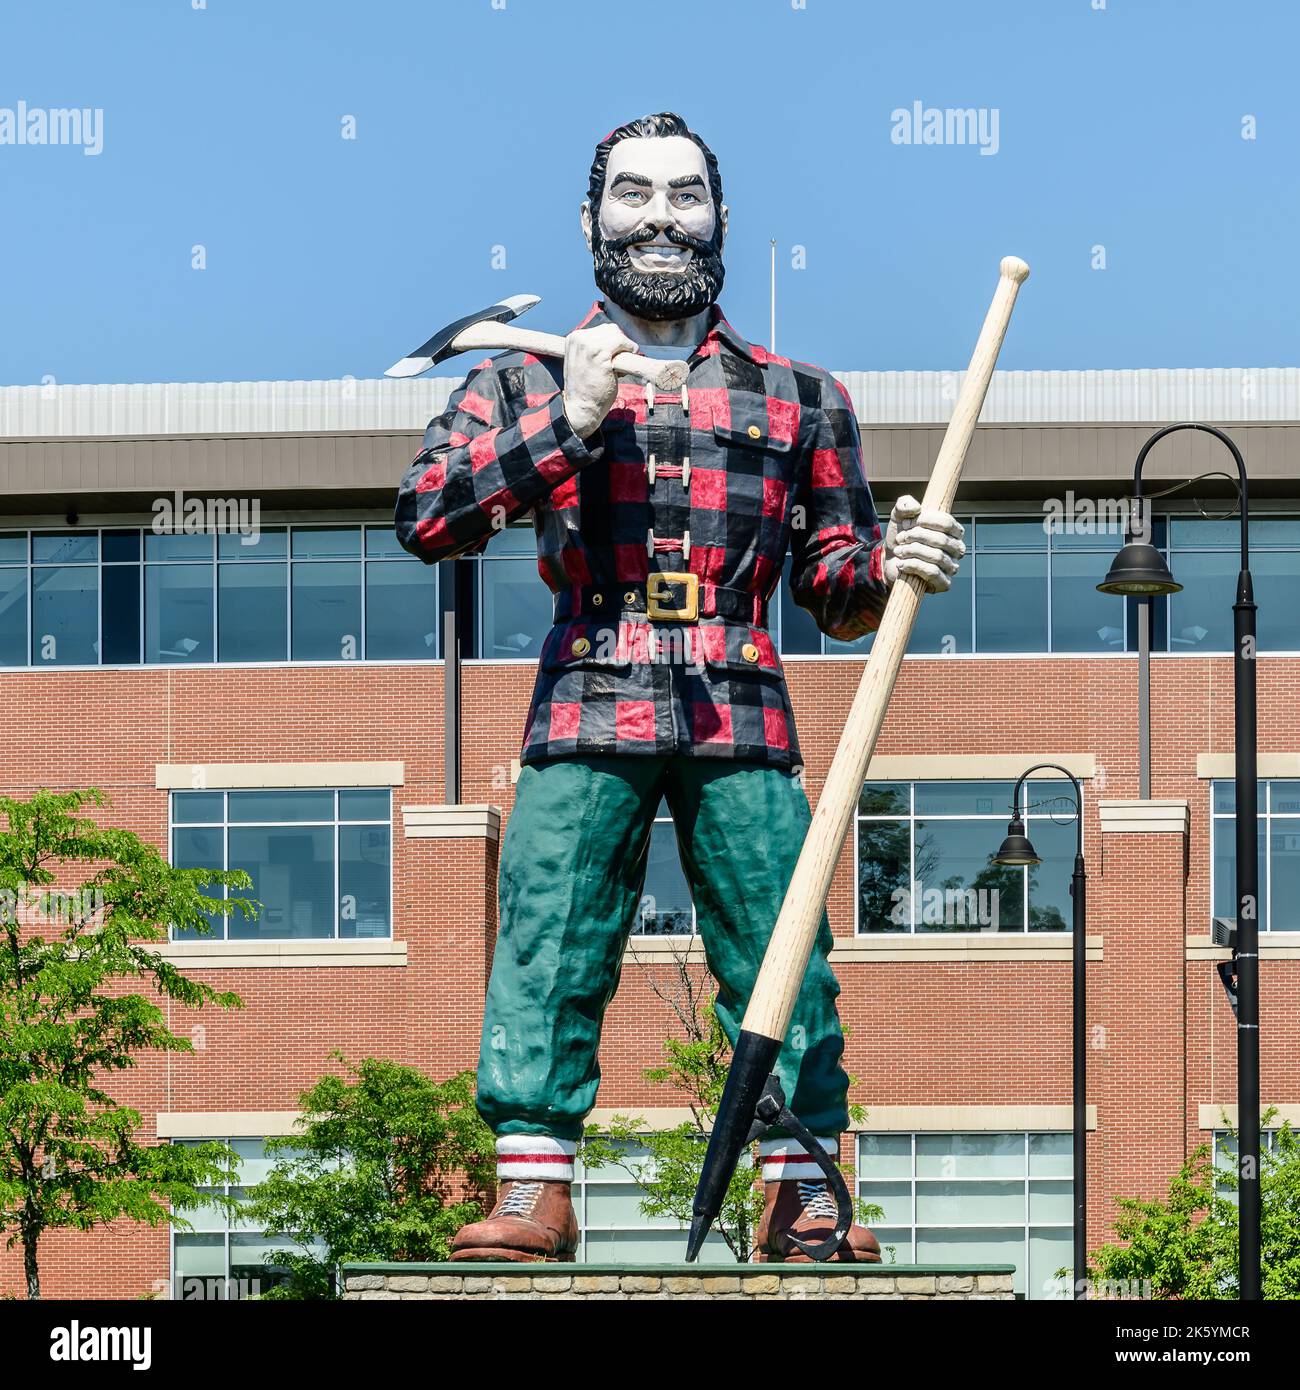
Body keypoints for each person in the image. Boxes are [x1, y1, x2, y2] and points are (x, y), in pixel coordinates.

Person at [395, 112, 965, 1263]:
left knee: (782, 943)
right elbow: (428, 521)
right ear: (590, 220)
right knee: (549, 933)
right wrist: (573, 417)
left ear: (718, 219)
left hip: (741, 701)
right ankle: (533, 1190)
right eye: (634, 194)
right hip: (586, 688)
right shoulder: (522, 379)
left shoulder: (802, 396)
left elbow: (838, 591)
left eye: (684, 195)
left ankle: (799, 1188)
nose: (659, 215)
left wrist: (891, 564)